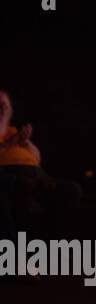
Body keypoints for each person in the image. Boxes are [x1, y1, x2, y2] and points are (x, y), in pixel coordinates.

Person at [0, 89, 79, 242]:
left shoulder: (13, 131)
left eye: (5, 106)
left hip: (36, 174)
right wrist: (9, 143)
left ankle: (54, 245)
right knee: (20, 186)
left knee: (72, 189)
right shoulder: (9, 137)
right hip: (10, 174)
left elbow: (36, 158)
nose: (2, 109)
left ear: (11, 111)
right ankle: (12, 248)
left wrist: (25, 142)